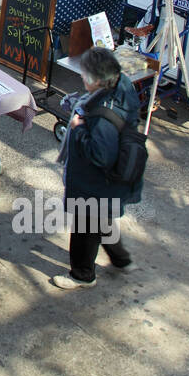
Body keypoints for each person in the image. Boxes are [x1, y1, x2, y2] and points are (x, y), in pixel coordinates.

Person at [52, 46, 142, 289]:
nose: (81, 77)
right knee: (101, 222)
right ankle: (121, 260)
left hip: (94, 185)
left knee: (84, 231)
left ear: (98, 80)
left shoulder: (103, 117)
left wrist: (78, 127)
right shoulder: (121, 87)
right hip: (110, 186)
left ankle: (82, 274)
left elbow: (100, 155)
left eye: (84, 74)